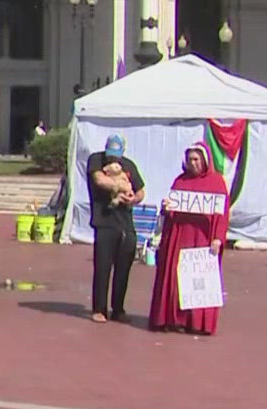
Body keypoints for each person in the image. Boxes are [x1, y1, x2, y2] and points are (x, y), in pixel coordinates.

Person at [148, 145, 230, 335]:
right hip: (179, 236)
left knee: (199, 279)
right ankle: (172, 319)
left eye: (196, 159)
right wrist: (166, 208)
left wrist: (218, 238)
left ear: (205, 160)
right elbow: (171, 209)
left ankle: (198, 322)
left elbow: (222, 214)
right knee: (176, 276)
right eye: (190, 160)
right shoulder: (180, 181)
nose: (193, 163)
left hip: (203, 237)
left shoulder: (216, 182)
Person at [86, 135, 145, 323]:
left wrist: (133, 198)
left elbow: (141, 190)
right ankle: (99, 308)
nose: (113, 160)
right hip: (104, 220)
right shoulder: (96, 159)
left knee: (124, 267)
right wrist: (119, 186)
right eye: (111, 155)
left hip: (126, 222)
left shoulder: (129, 165)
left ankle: (118, 307)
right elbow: (99, 180)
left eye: (116, 156)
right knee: (103, 267)